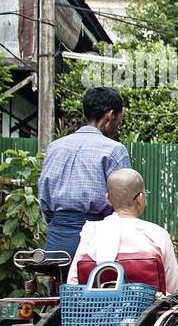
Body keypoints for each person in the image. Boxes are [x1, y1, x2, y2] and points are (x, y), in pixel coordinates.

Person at [39, 86, 131, 257]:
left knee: (58, 281)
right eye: (119, 120)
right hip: (97, 242)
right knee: (99, 283)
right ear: (109, 115)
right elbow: (124, 205)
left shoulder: (55, 147)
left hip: (57, 241)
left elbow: (44, 201)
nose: (118, 125)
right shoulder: (115, 150)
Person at [68, 168, 178, 295]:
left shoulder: (92, 233)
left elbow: (73, 283)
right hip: (150, 311)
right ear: (140, 198)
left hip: (95, 310)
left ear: (108, 199)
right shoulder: (157, 234)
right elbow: (175, 288)